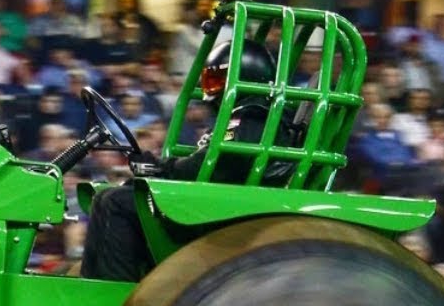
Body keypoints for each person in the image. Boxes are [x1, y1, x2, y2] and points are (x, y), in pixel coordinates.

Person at [81, 40, 294, 282]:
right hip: (223, 198)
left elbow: (219, 162)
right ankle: (101, 282)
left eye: (218, 80)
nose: (211, 90)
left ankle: (110, 293)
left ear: (245, 76)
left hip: (223, 209)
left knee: (115, 202)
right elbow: (214, 162)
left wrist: (163, 169)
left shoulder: (253, 117)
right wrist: (161, 169)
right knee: (115, 194)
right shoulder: (252, 117)